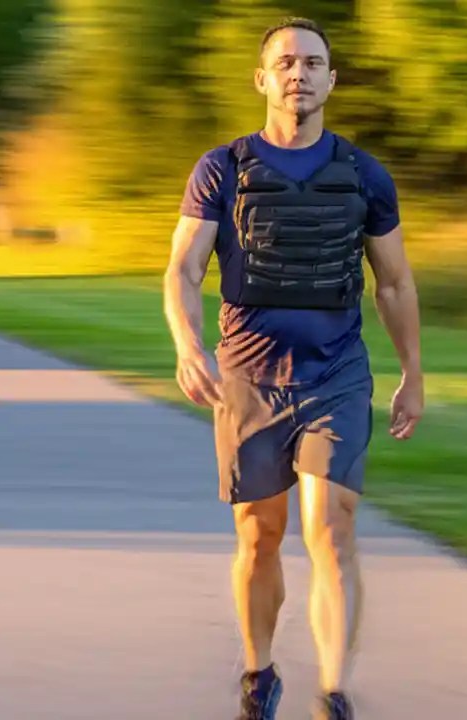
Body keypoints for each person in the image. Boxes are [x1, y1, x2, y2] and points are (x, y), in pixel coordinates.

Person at [162, 15, 424, 720]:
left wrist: (412, 373)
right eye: (285, 63)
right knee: (260, 534)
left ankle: (334, 694)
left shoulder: (364, 176)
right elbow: (183, 269)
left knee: (331, 528)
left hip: (336, 373)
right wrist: (188, 345)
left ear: (331, 80)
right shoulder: (223, 169)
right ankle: (259, 673)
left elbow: (394, 283)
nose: (298, 74)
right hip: (248, 376)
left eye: (312, 63)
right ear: (262, 79)